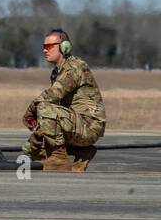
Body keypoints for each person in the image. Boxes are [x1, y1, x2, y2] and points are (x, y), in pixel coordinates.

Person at [22, 29, 106, 172]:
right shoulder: (57, 72)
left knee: (44, 108)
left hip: (89, 125)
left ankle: (59, 159)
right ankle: (82, 153)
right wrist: (40, 128)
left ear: (64, 47)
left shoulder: (75, 67)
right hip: (74, 124)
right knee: (30, 148)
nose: (44, 50)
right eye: (43, 47)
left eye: (49, 46)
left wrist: (31, 110)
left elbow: (53, 95)